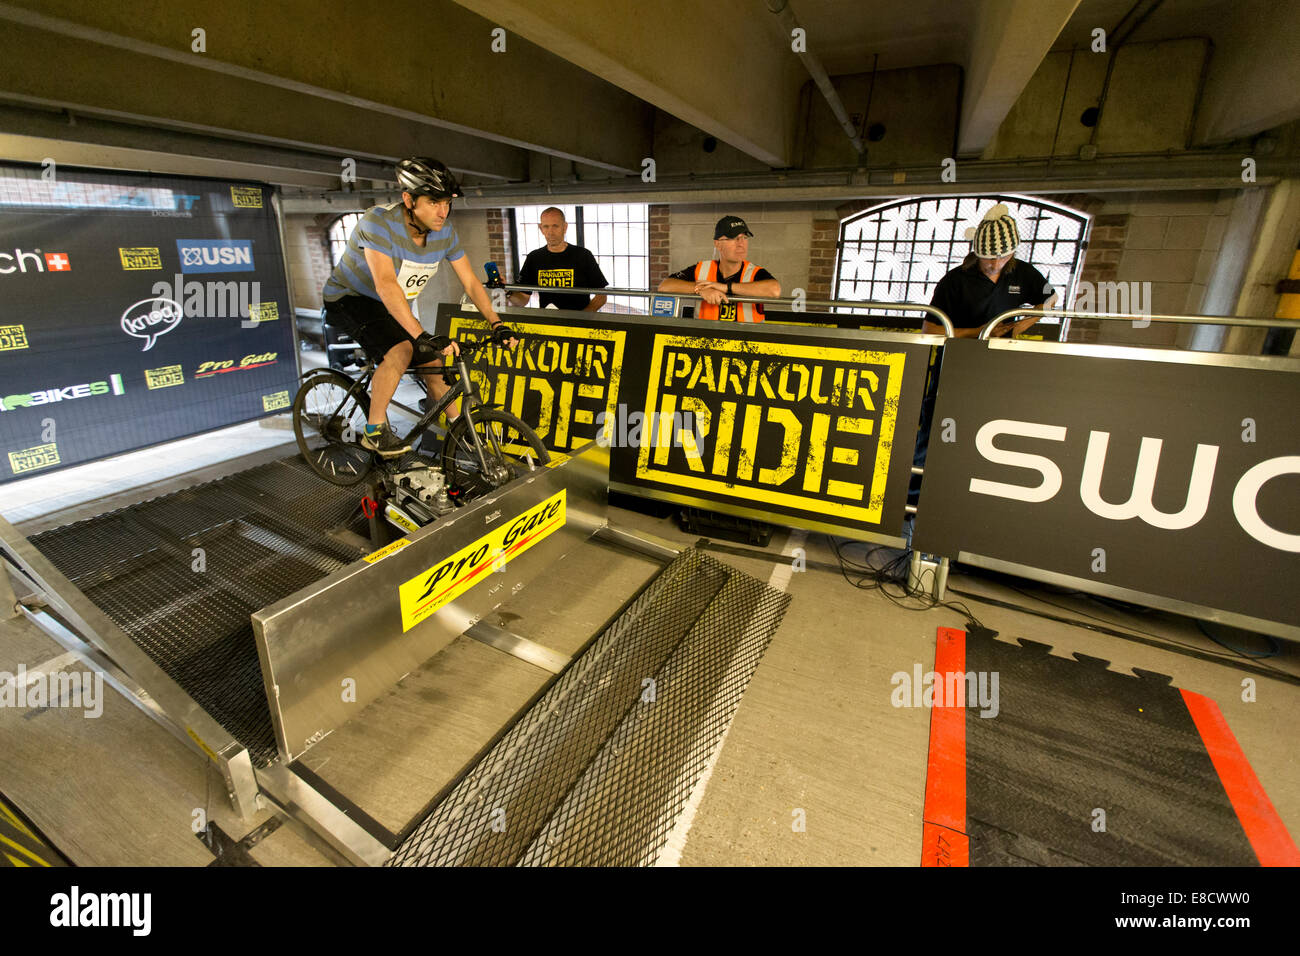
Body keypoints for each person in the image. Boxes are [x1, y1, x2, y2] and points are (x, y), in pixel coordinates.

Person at [322, 157, 514, 457]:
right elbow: (385, 284)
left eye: (447, 203)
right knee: (401, 350)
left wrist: (497, 323)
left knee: (435, 366)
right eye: (434, 202)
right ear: (408, 199)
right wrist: (420, 333)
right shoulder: (378, 222)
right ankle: (374, 432)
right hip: (350, 299)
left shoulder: (444, 233)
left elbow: (471, 283)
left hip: (394, 304)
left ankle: (463, 432)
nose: (442, 211)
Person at [908, 204, 1059, 528]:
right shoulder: (954, 281)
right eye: (987, 257)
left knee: (985, 432)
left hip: (997, 371)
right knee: (932, 433)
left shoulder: (1023, 274)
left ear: (1012, 254)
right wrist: (980, 332)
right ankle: (913, 503)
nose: (993, 263)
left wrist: (1023, 324)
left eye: (1001, 257)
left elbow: (1050, 298)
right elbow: (930, 330)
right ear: (975, 253)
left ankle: (970, 502)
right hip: (955, 367)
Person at [658, 216, 781, 321]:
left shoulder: (754, 272)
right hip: (707, 343)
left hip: (747, 344)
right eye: (733, 238)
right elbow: (664, 286)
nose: (741, 243)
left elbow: (774, 290)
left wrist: (725, 287)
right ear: (717, 244)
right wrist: (700, 290)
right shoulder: (702, 268)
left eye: (744, 237)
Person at [508, 207, 608, 311]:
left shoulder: (583, 255)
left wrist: (582, 318)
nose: (550, 232)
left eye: (555, 226)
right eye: (546, 227)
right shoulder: (534, 258)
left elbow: (601, 296)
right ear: (541, 228)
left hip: (579, 324)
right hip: (549, 323)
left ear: (565, 227)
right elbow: (522, 300)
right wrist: (507, 291)